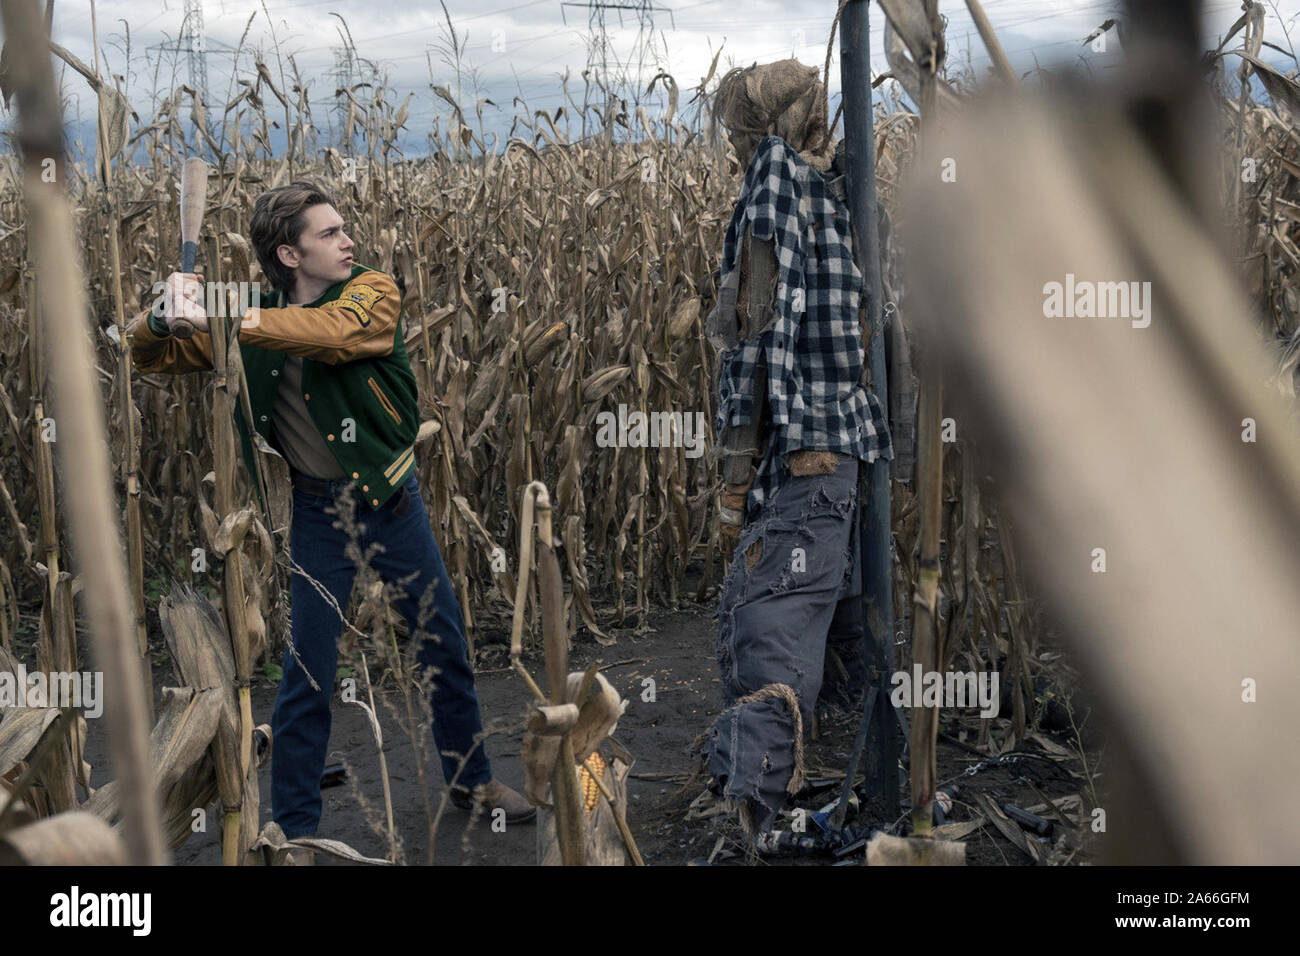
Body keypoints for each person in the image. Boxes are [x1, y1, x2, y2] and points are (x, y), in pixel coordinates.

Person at [128, 180, 534, 859]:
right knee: (308, 671)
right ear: (289, 254)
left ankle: (474, 782)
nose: (349, 240)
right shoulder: (248, 315)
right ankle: (294, 824)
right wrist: (168, 314)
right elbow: (150, 354)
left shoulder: (371, 294)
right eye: (329, 233)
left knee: (442, 643)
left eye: (344, 229)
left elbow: (335, 334)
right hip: (318, 512)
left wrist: (224, 322)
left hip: (392, 502)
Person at [704, 62, 894, 833]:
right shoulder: (840, 186)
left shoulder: (776, 180)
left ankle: (759, 812)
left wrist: (733, 467)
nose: (734, 144)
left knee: (770, 627)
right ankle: (846, 780)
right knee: (828, 615)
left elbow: (753, 332)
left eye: (737, 129)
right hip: (844, 449)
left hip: (804, 451)